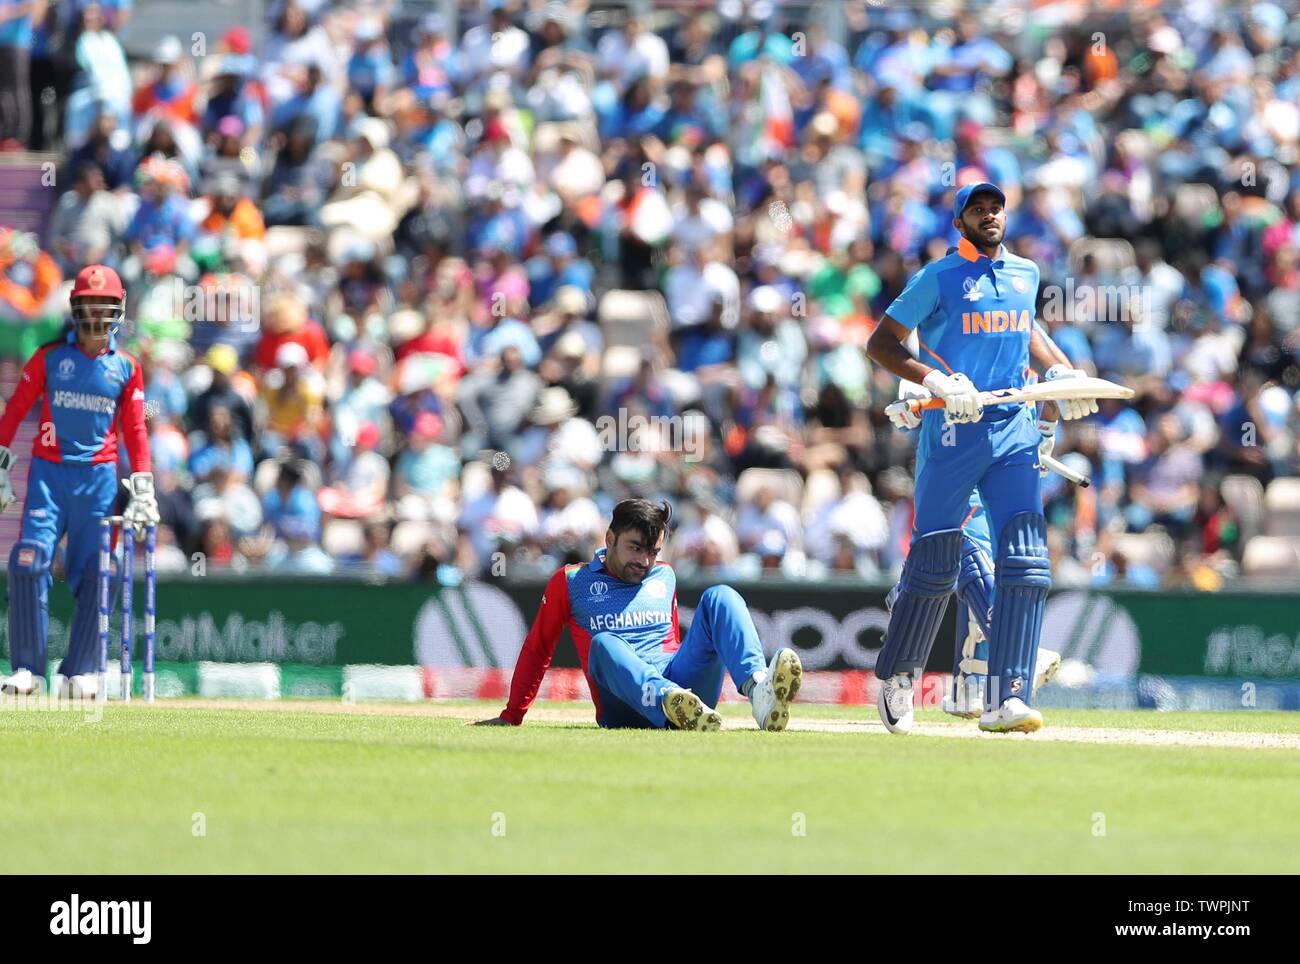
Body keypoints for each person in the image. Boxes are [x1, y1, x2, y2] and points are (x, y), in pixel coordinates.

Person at [865, 182, 1094, 734]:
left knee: (1027, 558)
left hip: (1013, 430)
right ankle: (899, 677)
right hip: (953, 431)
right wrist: (935, 377)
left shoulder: (1025, 274)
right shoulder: (938, 277)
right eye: (977, 209)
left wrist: (1061, 371)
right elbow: (882, 343)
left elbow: (1025, 328)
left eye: (996, 207)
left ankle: (1005, 695)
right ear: (960, 220)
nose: (989, 215)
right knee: (938, 563)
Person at [883, 318, 1090, 718]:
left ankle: (970, 686)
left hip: (1008, 461)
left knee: (985, 562)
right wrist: (912, 400)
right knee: (966, 552)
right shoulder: (947, 326)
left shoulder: (1018, 321)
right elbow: (914, 387)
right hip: (955, 456)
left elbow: (1052, 383)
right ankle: (1008, 660)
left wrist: (1044, 430)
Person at [476, 498, 802, 732]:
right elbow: (538, 648)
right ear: (610, 539)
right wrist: (512, 714)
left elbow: (672, 643)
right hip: (621, 706)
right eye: (635, 548)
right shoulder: (570, 581)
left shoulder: (665, 575)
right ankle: (667, 701)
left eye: (653, 551)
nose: (645, 561)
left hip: (686, 693)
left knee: (722, 596)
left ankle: (760, 691)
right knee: (603, 644)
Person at [0, 264, 159, 697]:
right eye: (89, 304)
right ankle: (28, 671)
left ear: (119, 310)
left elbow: (137, 430)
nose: (96, 314)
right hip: (49, 477)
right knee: (28, 562)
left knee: (100, 570)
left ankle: (81, 671)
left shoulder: (126, 369)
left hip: (99, 482)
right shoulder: (51, 358)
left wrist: (142, 486)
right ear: (75, 307)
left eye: (105, 305)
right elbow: (15, 410)